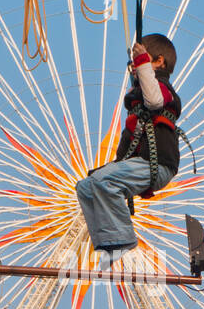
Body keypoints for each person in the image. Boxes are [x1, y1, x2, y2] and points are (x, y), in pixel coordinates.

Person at [74, 34, 181, 268]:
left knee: (102, 182)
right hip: (139, 165)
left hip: (157, 164)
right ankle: (107, 243)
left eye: (141, 62)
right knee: (85, 186)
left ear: (159, 62)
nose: (134, 67)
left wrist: (142, 63)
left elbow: (154, 100)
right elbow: (127, 143)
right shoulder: (138, 103)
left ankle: (122, 239)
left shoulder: (162, 89)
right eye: (133, 64)